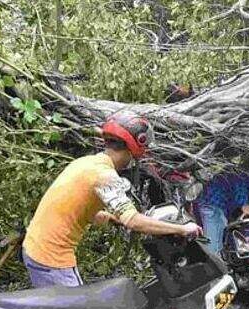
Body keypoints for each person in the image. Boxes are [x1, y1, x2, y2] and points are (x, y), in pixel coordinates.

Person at [21, 113, 202, 288]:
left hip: (34, 248)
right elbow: (132, 221)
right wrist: (183, 229)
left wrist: (112, 218)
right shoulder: (105, 175)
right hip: (52, 259)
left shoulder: (87, 163)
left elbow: (81, 209)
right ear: (134, 148)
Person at [196, 155, 249, 254]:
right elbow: (243, 208)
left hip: (207, 204)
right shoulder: (243, 179)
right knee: (215, 251)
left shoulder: (238, 174)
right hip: (213, 207)